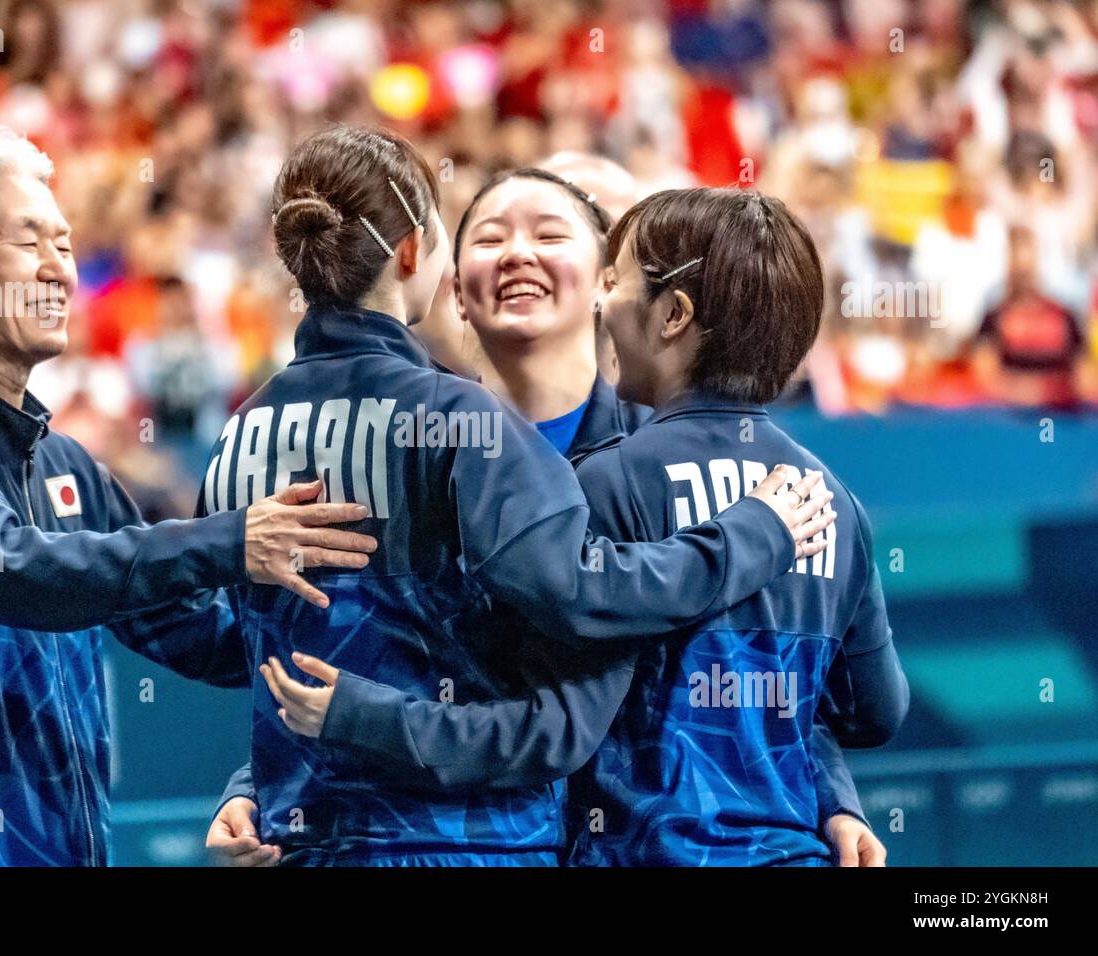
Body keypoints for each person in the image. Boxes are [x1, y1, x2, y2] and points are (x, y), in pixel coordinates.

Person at [197, 124, 835, 867]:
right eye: (491, 234)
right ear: (450, 284)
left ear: (609, 285)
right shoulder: (417, 441)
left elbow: (770, 671)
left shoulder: (683, 463)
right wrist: (260, 790)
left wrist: (832, 797)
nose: (518, 253)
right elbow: (341, 644)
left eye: (552, 230)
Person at [0, 128, 377, 866]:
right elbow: (15, 571)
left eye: (66, 245)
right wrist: (230, 540)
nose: (61, 271)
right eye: (30, 244)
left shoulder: (67, 467)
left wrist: (372, 615)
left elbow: (206, 638)